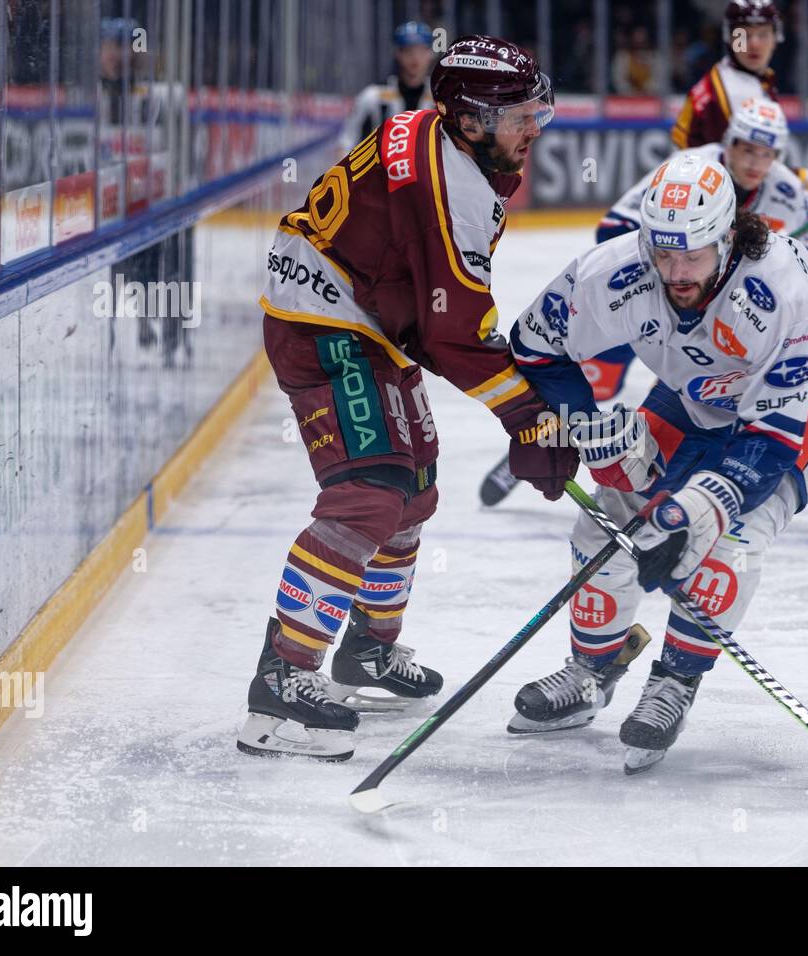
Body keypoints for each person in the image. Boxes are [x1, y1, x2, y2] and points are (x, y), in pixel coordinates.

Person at [237, 36, 578, 762]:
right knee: (370, 490)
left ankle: (366, 650)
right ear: (470, 119)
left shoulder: (446, 147)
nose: (534, 128)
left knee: (413, 488)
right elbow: (454, 334)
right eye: (518, 116)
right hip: (323, 323)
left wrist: (522, 408)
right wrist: (528, 418)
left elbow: (435, 314)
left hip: (366, 321)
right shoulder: (449, 185)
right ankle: (280, 684)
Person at [504, 151, 808, 773]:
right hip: (702, 386)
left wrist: (697, 508)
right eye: (664, 253)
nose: (676, 273)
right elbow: (534, 346)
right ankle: (592, 670)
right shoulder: (618, 272)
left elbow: (769, 439)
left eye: (694, 256)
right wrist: (581, 421)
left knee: (731, 538)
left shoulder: (777, 291)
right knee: (611, 515)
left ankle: (676, 681)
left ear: (728, 239)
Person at [478, 98, 808, 506]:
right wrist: (648, 293)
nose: (754, 163)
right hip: (645, 301)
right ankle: (558, 433)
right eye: (746, 150)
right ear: (729, 144)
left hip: (706, 314)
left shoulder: (782, 191)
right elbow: (616, 230)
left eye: (766, 155)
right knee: (597, 380)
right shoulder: (688, 175)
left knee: (707, 374)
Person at [671, 0, 808, 209]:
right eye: (743, 35)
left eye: (763, 34)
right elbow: (747, 170)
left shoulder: (730, 75)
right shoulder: (735, 90)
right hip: (709, 204)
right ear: (729, 38)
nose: (754, 43)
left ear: (776, 38)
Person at [341, 20, 438, 151]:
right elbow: (345, 143)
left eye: (421, 51)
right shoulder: (373, 96)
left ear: (430, 54)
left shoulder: (440, 97)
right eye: (408, 51)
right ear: (398, 53)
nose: (415, 58)